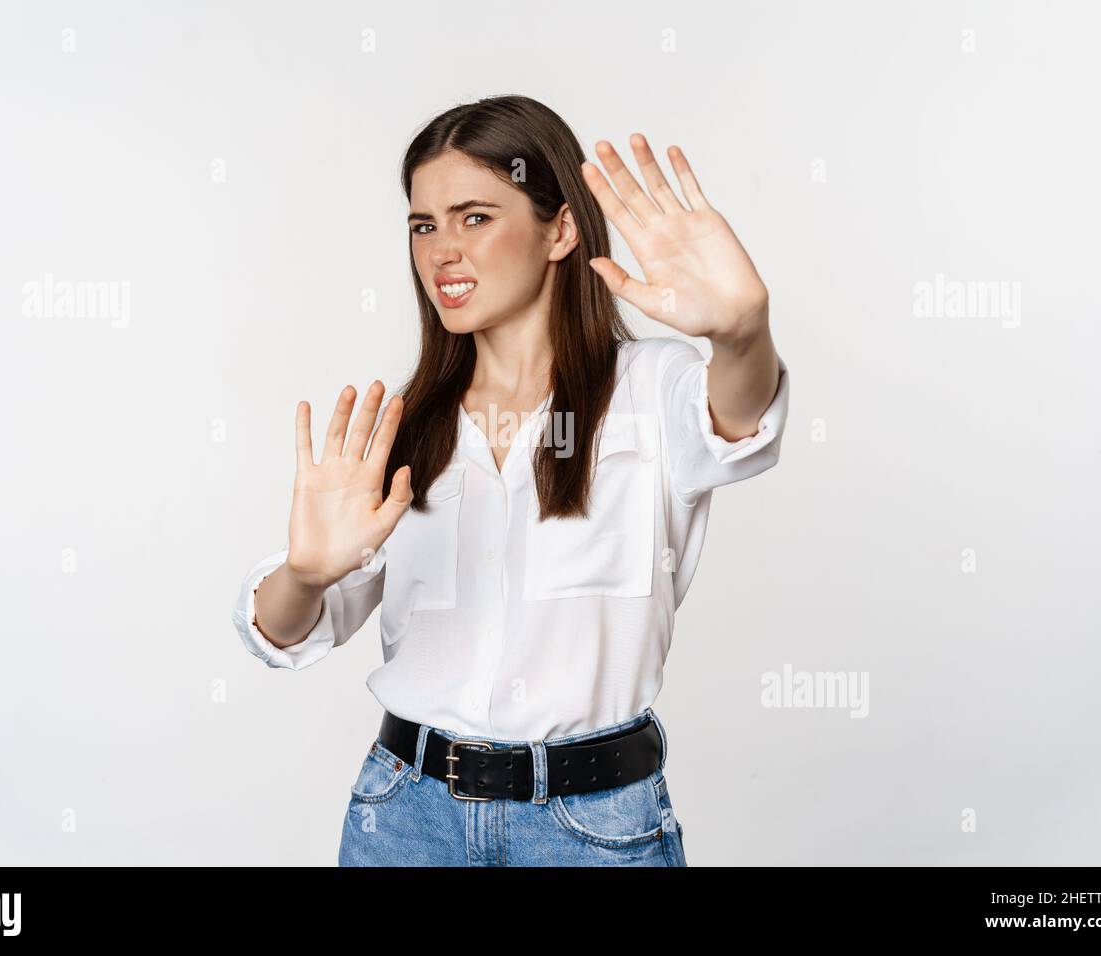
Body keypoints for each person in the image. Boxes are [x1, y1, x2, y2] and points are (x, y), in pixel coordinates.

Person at [231, 94, 789, 866]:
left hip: (592, 830)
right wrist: (304, 573)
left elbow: (741, 414)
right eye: (424, 226)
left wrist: (743, 329)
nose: (440, 252)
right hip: (404, 820)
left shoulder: (651, 391)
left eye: (474, 217)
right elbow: (287, 631)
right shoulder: (404, 428)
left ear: (559, 228)